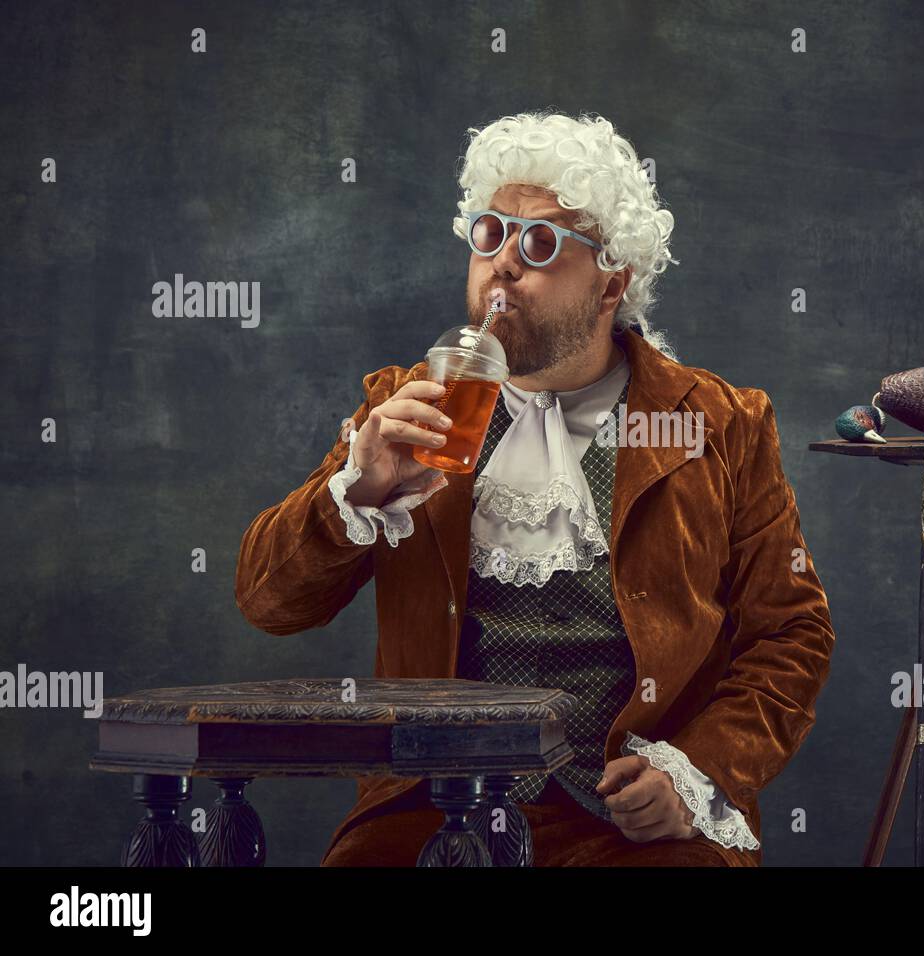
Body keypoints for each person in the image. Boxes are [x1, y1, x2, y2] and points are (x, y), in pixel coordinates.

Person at [235, 110, 836, 866]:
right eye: (489, 234)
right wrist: (352, 496)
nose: (504, 265)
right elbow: (267, 602)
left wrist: (696, 774)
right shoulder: (403, 405)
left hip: (632, 822)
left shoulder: (721, 425)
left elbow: (791, 635)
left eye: (541, 243)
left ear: (612, 282)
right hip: (432, 807)